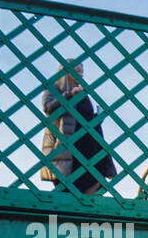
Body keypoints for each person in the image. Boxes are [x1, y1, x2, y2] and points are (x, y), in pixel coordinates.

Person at [40, 63, 117, 195]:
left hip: (86, 144)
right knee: (66, 187)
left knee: (96, 177)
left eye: (82, 71)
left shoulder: (82, 93)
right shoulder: (55, 87)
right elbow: (48, 107)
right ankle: (55, 216)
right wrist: (69, 94)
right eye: (76, 71)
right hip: (67, 143)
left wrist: (97, 117)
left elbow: (84, 116)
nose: (80, 74)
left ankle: (80, 207)